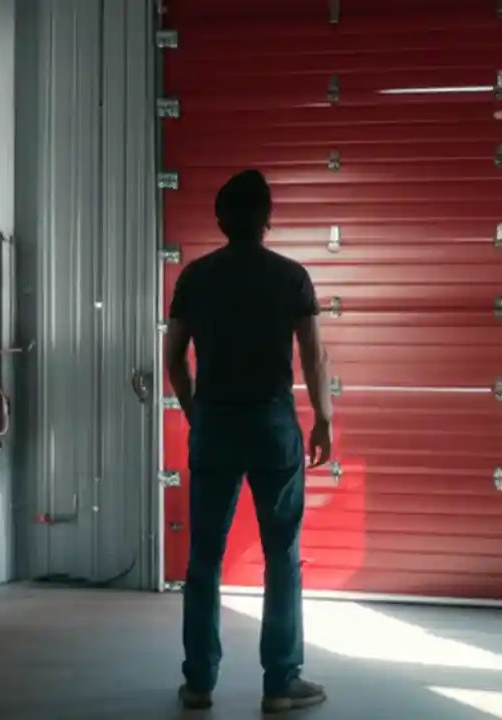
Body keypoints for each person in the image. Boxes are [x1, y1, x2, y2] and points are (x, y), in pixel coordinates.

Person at [164, 170, 333, 714]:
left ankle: (198, 684)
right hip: (272, 426)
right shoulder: (291, 278)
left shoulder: (196, 277)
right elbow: (314, 355)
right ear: (268, 220)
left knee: (203, 558)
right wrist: (324, 419)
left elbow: (174, 359)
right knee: (282, 553)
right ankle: (280, 683)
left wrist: (197, 412)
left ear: (220, 220)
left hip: (215, 423)